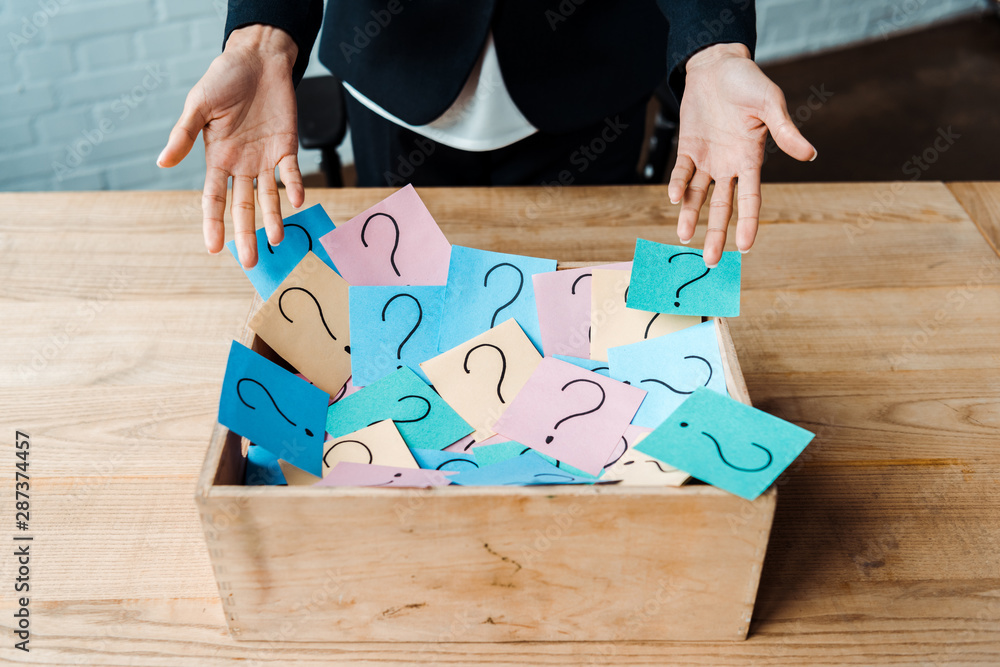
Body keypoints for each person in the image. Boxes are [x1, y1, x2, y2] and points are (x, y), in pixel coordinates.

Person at [157, 1, 815, 270]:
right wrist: (262, 33)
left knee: (577, 303)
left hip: (590, 72)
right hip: (399, 77)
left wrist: (711, 46)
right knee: (410, 301)